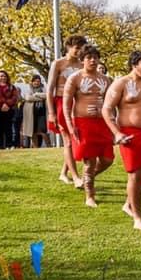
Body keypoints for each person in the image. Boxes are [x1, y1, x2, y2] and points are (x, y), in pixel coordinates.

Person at [102, 51, 141, 229]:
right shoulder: (121, 83)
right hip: (130, 133)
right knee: (135, 175)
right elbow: (107, 109)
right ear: (134, 64)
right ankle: (137, 216)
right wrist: (117, 133)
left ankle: (128, 203)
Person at [62, 46, 114, 207]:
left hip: (102, 123)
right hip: (83, 123)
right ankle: (89, 195)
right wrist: (71, 126)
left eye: (95, 57)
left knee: (107, 159)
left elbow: (111, 103)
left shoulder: (106, 80)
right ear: (82, 60)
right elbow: (66, 104)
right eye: (89, 57)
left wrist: (114, 124)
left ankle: (88, 177)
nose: (92, 60)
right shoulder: (75, 78)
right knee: (89, 162)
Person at [47, 35, 87, 187]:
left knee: (75, 138)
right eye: (77, 48)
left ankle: (64, 172)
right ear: (69, 47)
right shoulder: (58, 63)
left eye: (81, 49)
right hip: (60, 102)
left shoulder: (82, 65)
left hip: (76, 104)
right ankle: (76, 177)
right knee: (68, 140)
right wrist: (51, 113)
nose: (78, 51)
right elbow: (50, 89)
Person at [0, 70, 18, 150]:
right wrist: (2, 104)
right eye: (1, 76)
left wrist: (7, 104)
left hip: (9, 109)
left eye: (4, 76)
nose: (3, 77)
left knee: (8, 127)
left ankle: (9, 145)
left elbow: (15, 97)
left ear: (7, 77)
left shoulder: (12, 86)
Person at [21, 75, 48, 149]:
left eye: (38, 81)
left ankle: (49, 146)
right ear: (32, 82)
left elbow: (47, 95)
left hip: (42, 113)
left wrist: (36, 94)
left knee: (43, 131)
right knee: (33, 131)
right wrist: (40, 98)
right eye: (35, 81)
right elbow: (28, 98)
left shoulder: (44, 88)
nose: (37, 82)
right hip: (31, 113)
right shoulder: (28, 89)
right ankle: (35, 147)